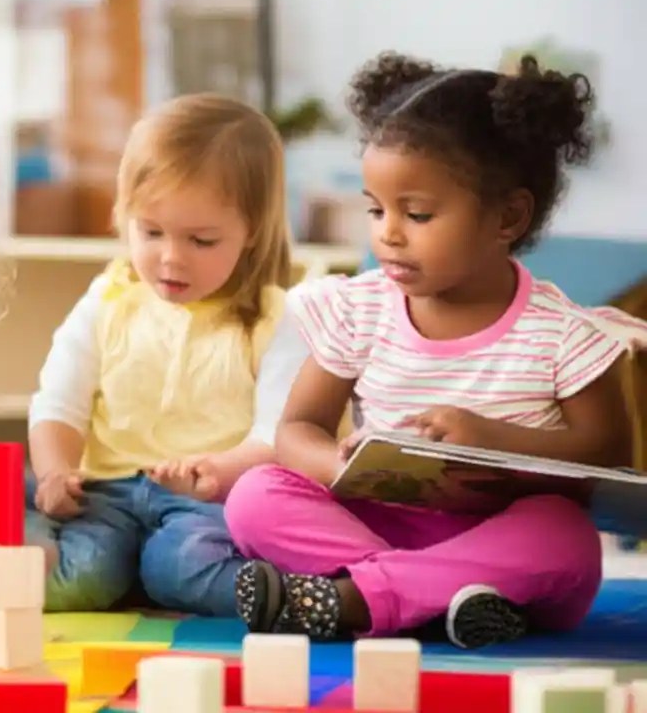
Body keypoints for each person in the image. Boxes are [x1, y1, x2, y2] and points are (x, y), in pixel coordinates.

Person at [225, 52, 647, 648]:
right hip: (389, 529)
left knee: (564, 537)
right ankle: (435, 600)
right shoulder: (362, 309)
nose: (387, 233)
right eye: (376, 209)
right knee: (254, 496)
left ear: (508, 216)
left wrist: (494, 439)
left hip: (502, 537)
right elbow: (298, 427)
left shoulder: (562, 333)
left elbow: (609, 456)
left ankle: (363, 597)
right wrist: (338, 468)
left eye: (417, 213)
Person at [25, 93, 306, 615]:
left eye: (201, 240)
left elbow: (279, 437)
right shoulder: (108, 298)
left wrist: (215, 472)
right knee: (82, 579)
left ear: (251, 233)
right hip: (105, 491)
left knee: (178, 565)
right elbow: (58, 404)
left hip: (208, 503)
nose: (171, 257)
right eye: (150, 232)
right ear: (123, 214)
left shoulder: (277, 318)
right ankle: (2, 550)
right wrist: (54, 472)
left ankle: (296, 598)